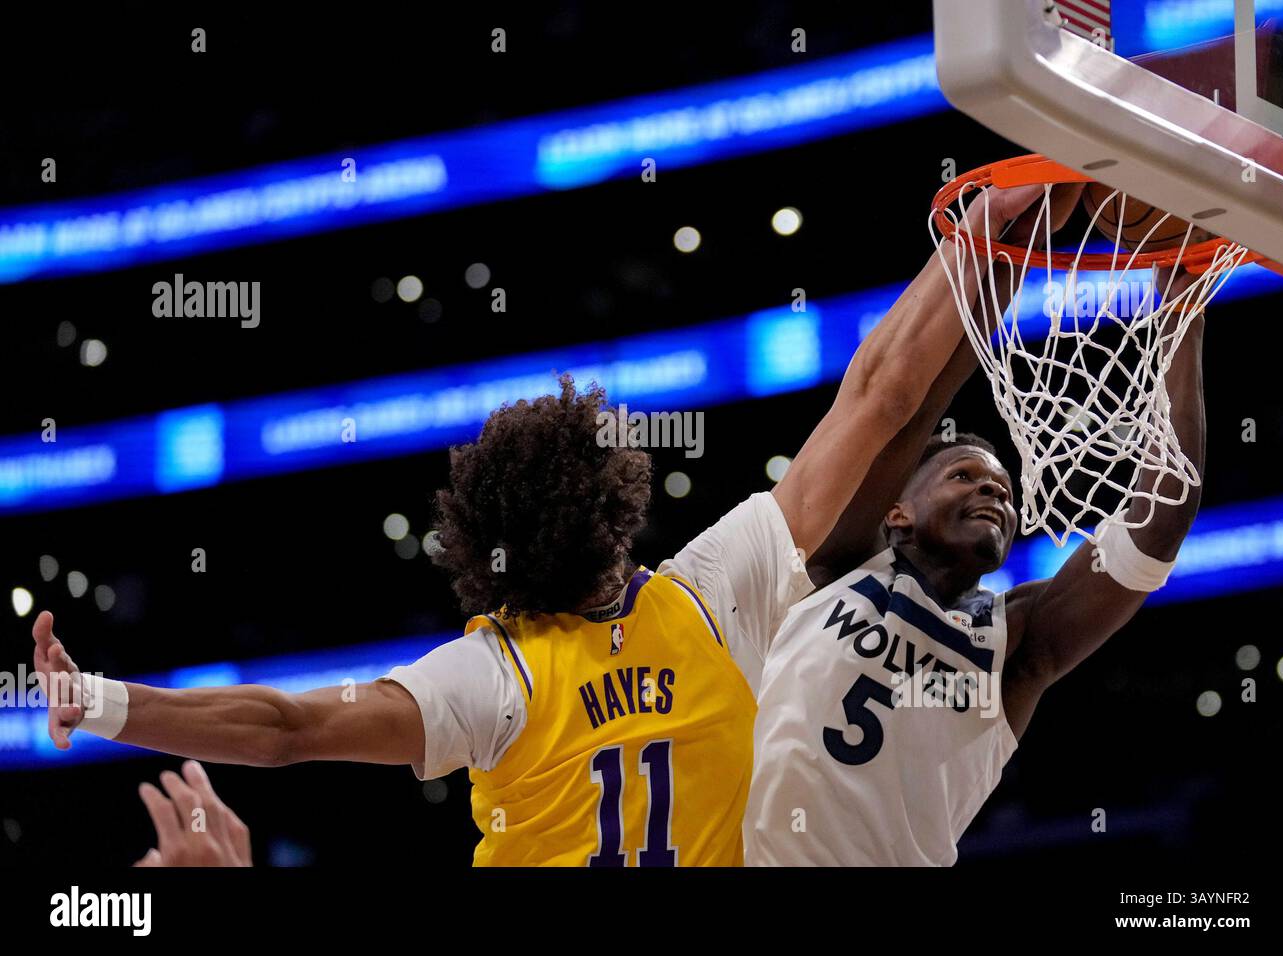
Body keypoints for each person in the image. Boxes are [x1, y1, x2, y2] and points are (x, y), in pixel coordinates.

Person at [30, 182, 1047, 866]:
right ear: (616, 496)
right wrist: (989, 236)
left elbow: (290, 727)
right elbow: (876, 395)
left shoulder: (494, 674)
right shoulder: (706, 589)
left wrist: (106, 697)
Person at [744, 266, 1206, 866]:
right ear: (898, 513)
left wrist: (1183, 317)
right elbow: (901, 408)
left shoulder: (1015, 640)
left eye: (1006, 491)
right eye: (964, 476)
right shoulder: (833, 566)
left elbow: (1165, 510)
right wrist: (987, 271)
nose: (994, 493)